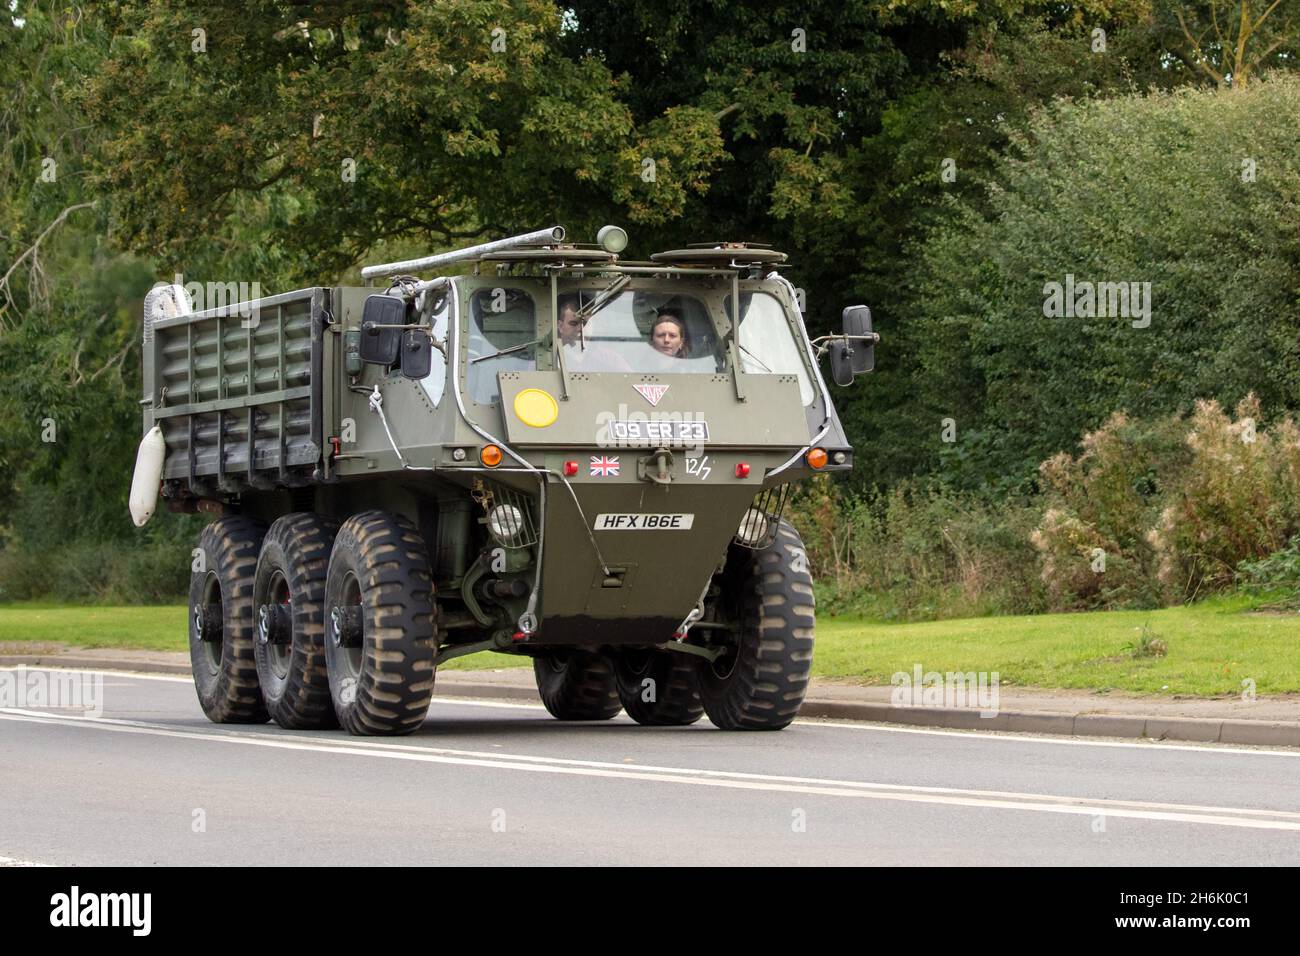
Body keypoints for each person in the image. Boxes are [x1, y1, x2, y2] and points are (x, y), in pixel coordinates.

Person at [556, 294, 631, 372]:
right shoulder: (551, 358)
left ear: (593, 325)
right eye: (573, 323)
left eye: (585, 323)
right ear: (560, 326)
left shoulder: (610, 360)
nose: (580, 329)